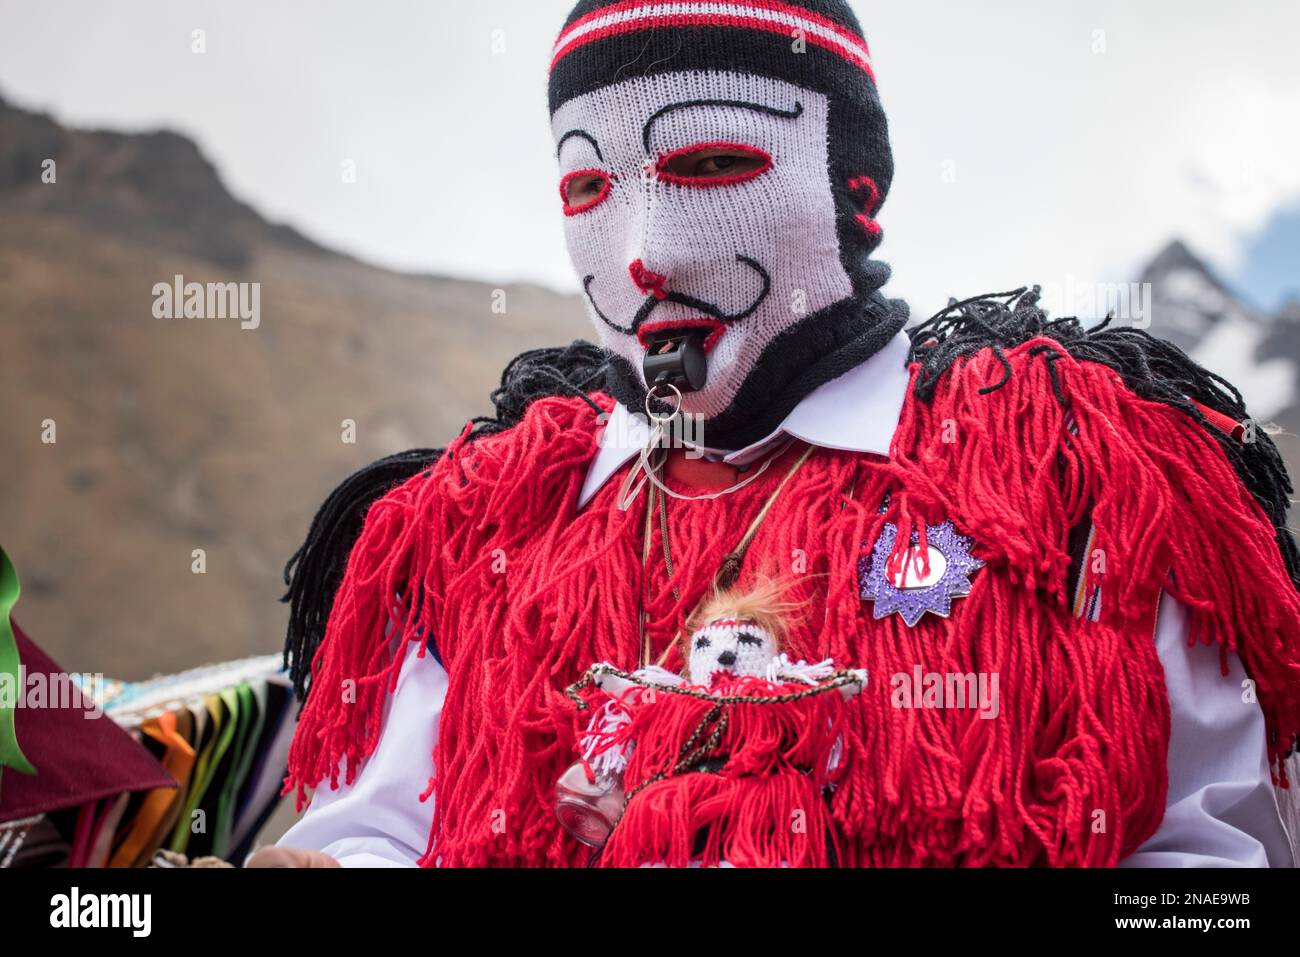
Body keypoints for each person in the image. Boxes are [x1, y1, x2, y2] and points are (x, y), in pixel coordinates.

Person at [249, 0, 1300, 868]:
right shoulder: (482, 525)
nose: (646, 252)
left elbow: (1210, 862)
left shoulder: (1072, 470)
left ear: (857, 189)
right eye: (588, 187)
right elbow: (384, 830)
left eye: (709, 165)